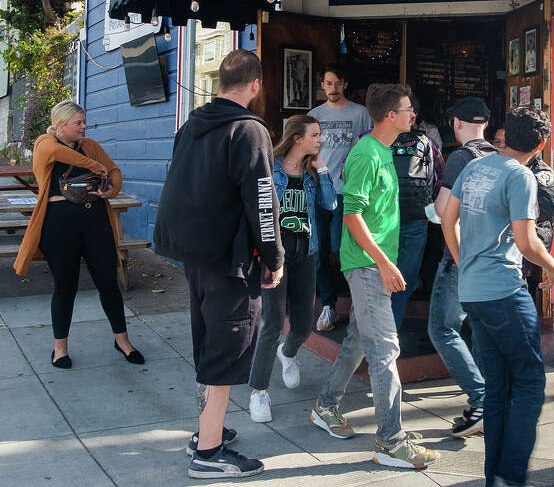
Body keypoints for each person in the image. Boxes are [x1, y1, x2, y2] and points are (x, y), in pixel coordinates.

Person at [154, 50, 284, 479]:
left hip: (193, 255)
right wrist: (274, 257)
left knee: (210, 345)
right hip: (230, 261)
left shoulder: (192, 125)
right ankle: (208, 456)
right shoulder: (248, 131)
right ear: (255, 85)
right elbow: (262, 200)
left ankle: (205, 432)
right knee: (227, 350)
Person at [310, 83, 440, 470]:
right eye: (407, 109)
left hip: (374, 263)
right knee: (386, 352)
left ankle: (326, 405)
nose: (412, 114)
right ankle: (390, 441)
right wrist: (384, 263)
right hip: (367, 266)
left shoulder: (383, 150)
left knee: (357, 343)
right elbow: (351, 216)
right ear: (389, 116)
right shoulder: (366, 154)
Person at [441, 108, 554, 487]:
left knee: (497, 388)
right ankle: (508, 475)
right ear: (540, 144)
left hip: (473, 291)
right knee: (529, 384)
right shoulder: (521, 176)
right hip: (504, 292)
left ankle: (496, 476)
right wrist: (551, 266)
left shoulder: (476, 166)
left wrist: (464, 261)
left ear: (505, 135)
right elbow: (526, 242)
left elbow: (447, 217)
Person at [14, 100, 142, 370]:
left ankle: (122, 341)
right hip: (59, 224)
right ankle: (59, 348)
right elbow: (60, 154)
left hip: (95, 220)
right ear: (61, 125)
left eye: (84, 122)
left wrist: (111, 190)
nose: (84, 127)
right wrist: (95, 167)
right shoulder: (44, 144)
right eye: (78, 123)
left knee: (108, 281)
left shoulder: (91, 146)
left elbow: (115, 171)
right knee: (65, 286)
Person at [246, 115, 336, 423]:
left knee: (302, 325)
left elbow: (330, 205)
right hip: (276, 257)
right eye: (315, 134)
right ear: (297, 138)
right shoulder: (270, 170)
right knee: (271, 324)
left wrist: (323, 169)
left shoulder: (312, 174)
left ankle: (289, 353)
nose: (319, 139)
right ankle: (258, 392)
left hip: (306, 255)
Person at [428, 96, 495, 438]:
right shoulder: (501, 160)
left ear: (457, 124)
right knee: (481, 332)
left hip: (461, 257)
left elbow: (442, 211)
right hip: (492, 260)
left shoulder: (461, 158)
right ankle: (492, 403)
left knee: (442, 328)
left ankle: (482, 400)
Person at [310, 64, 373, 331]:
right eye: (328, 84)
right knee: (319, 251)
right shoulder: (314, 115)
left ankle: (360, 303)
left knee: (341, 248)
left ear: (344, 84)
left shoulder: (361, 114)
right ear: (322, 85)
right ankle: (328, 306)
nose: (333, 89)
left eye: (337, 83)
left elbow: (372, 146)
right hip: (318, 190)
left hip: (346, 191)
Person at [389, 98, 443, 330]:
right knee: (404, 280)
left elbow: (347, 176)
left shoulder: (368, 140)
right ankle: (393, 334)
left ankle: (373, 340)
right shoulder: (427, 142)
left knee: (373, 281)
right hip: (416, 220)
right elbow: (440, 181)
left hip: (380, 223)